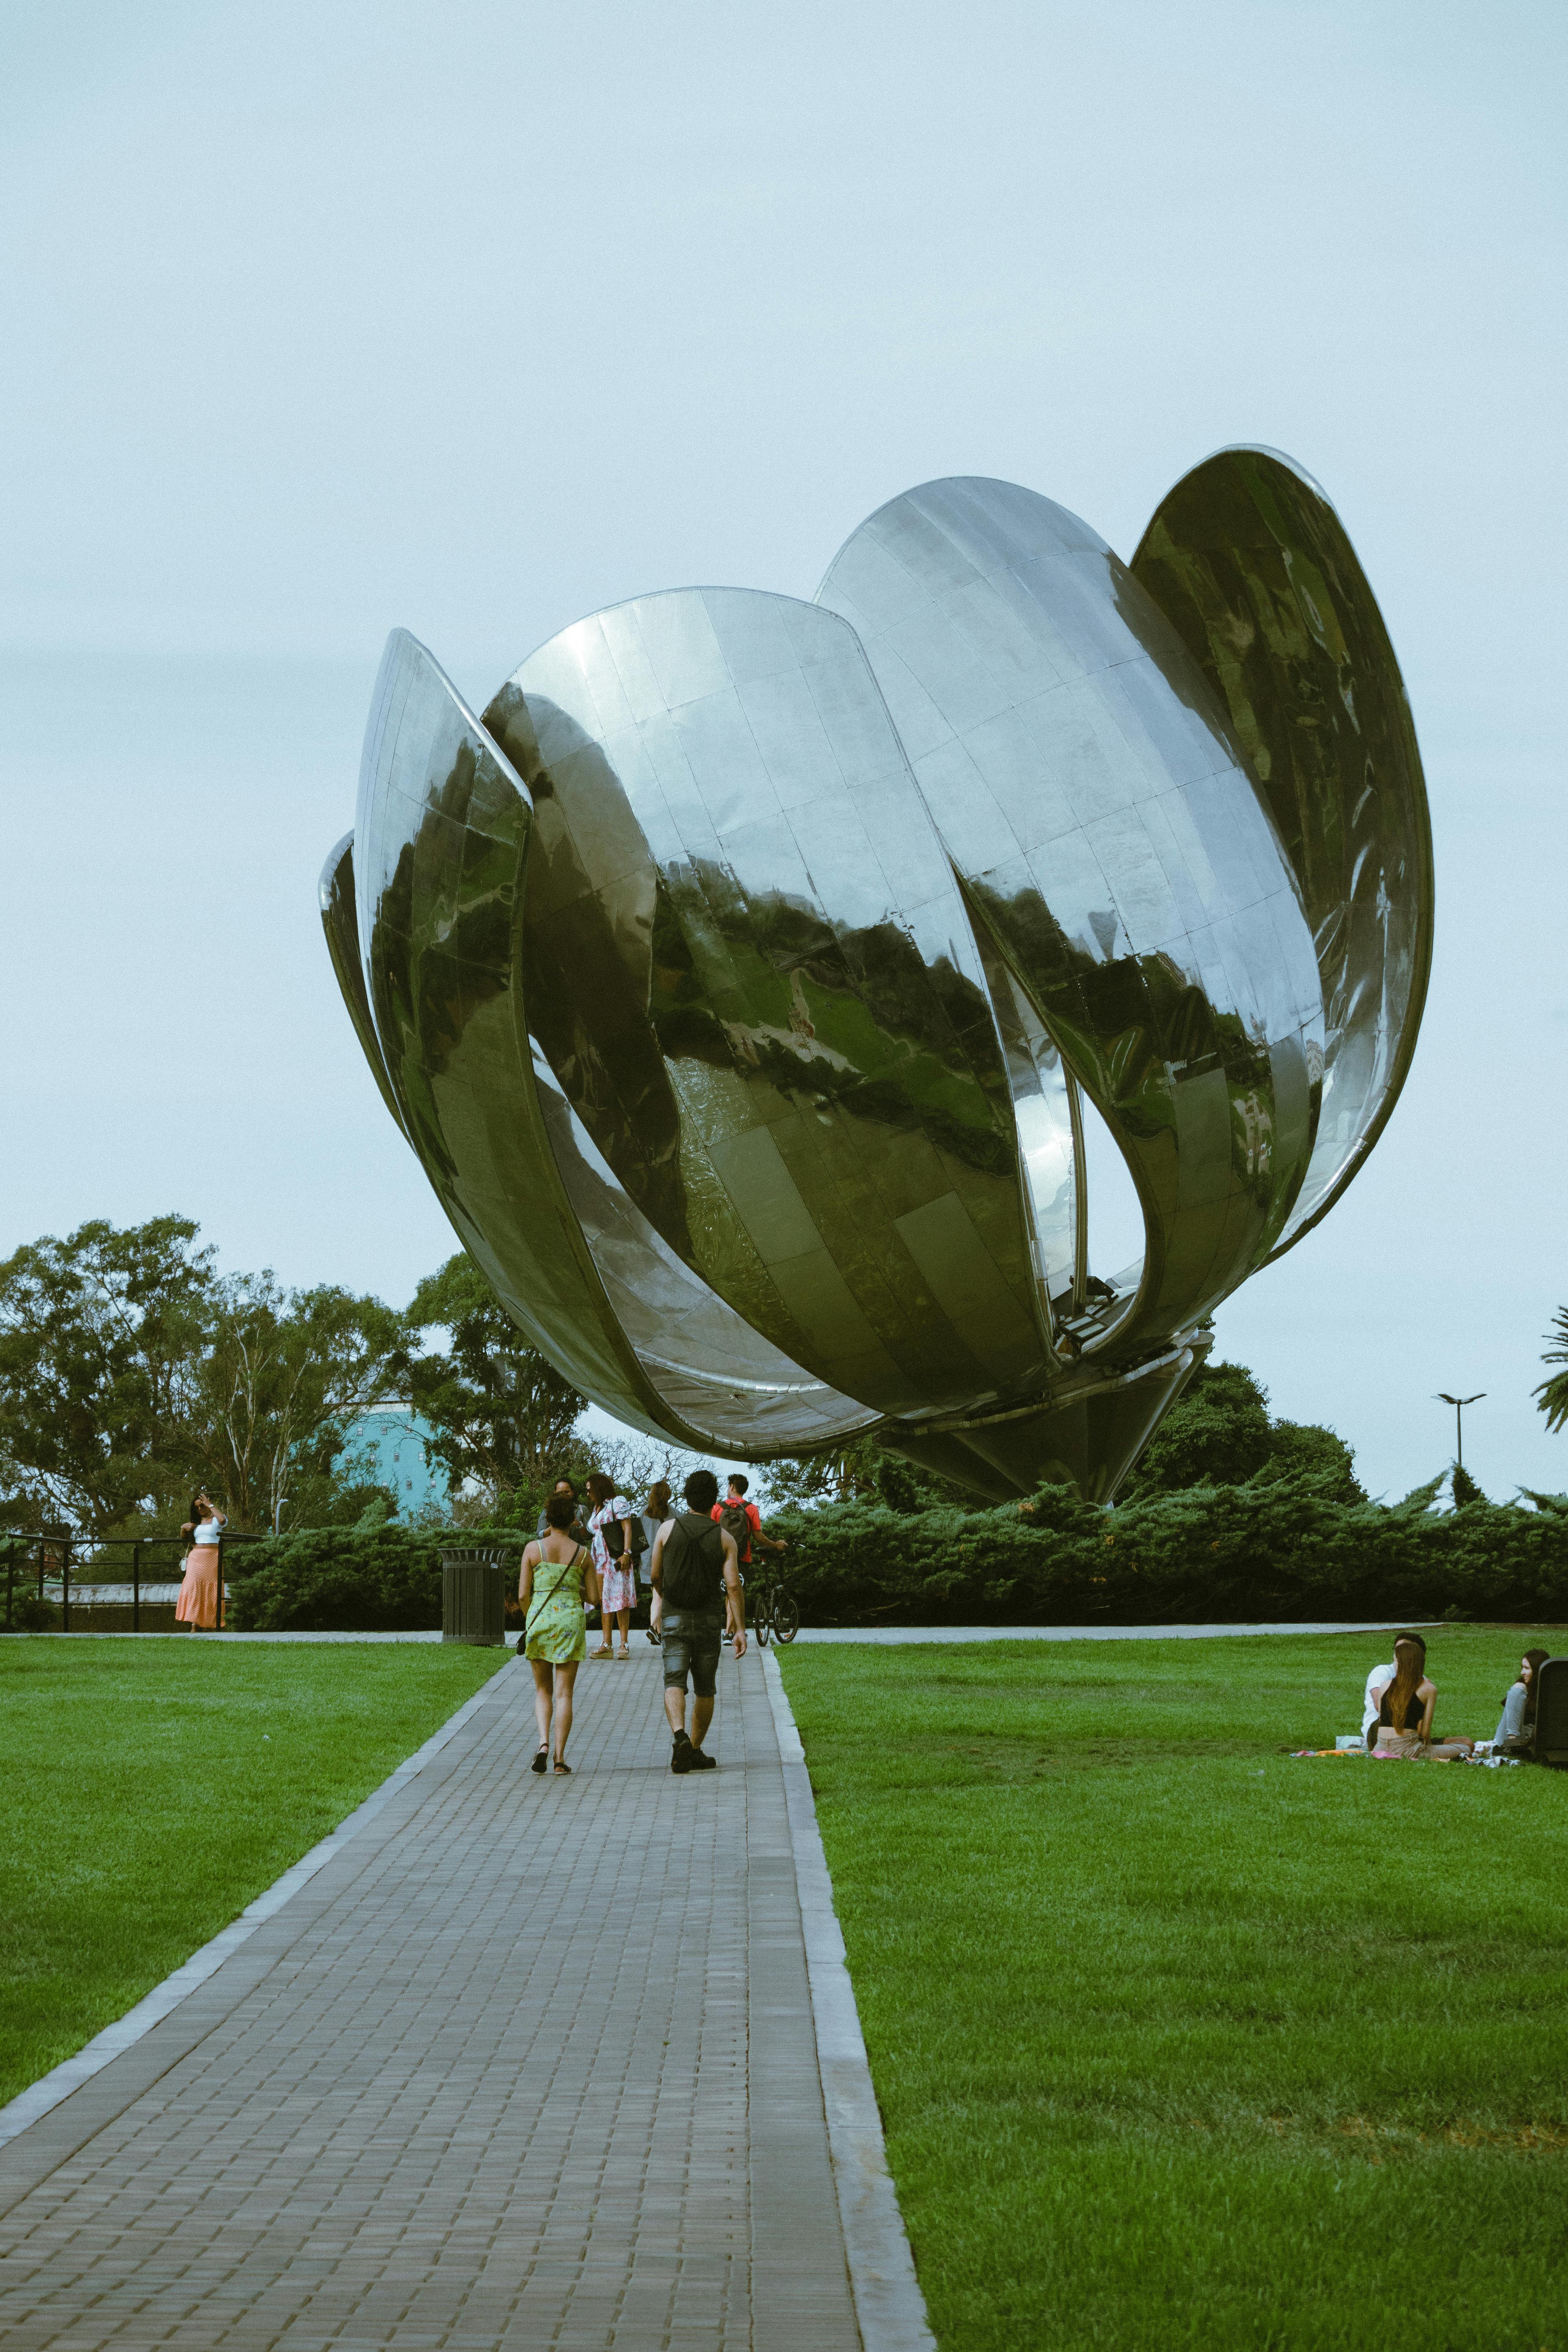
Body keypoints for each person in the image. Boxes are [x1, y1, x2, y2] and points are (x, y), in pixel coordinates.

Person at [649, 1469, 744, 1774]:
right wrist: (740, 1628)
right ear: (714, 1500)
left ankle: (680, 1738)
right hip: (707, 1620)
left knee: (674, 1680)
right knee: (705, 1686)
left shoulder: (666, 1530)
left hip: (674, 1616)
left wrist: (664, 1597)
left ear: (686, 1497)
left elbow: (654, 1576)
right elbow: (733, 1586)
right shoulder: (724, 1538)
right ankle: (696, 1748)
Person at [519, 1491, 596, 1773]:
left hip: (539, 1622)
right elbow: (595, 1599)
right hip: (570, 1622)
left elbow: (523, 1595)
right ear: (574, 1521)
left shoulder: (533, 1549)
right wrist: (573, 1587)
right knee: (565, 1694)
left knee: (543, 1690)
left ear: (548, 1519)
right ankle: (560, 1758)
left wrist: (532, 1618)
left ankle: (542, 1743)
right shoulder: (582, 1554)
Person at [1369, 1638, 1472, 1758]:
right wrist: (1430, 1751)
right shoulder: (1428, 1689)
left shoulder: (1385, 1685)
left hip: (1380, 1747)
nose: (1394, 1666)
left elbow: (1383, 1721)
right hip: (1409, 1750)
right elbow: (1425, 1733)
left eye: (1395, 1662)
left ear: (1403, 1664)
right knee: (1465, 1748)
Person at [584, 1473, 639, 1659]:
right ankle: (606, 1643)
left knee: (620, 1600)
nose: (588, 1493)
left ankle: (624, 1643)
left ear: (599, 1487)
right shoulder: (596, 1508)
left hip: (616, 1557)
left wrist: (626, 1553)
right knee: (603, 1599)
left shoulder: (617, 1502)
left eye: (590, 1489)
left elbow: (628, 1528)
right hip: (599, 1560)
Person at [174, 1489, 227, 1630]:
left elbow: (222, 1521)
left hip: (213, 1557)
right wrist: (183, 1528)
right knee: (194, 1588)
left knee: (212, 1590)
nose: (200, 1510)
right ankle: (194, 1625)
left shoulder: (217, 1519)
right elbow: (185, 1538)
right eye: (197, 1508)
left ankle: (213, 1624)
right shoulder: (197, 1522)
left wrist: (210, 1505)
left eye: (201, 1506)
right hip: (196, 1557)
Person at [1362, 1634, 1426, 1745]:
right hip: (1379, 1729)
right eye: (1397, 1650)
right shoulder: (1383, 1672)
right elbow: (1381, 1707)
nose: (1400, 1653)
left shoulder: (1425, 1683)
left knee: (1465, 1743)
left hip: (1409, 1733)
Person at [1493, 1649, 1551, 1750]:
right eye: (1522, 1667)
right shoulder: (1521, 1687)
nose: (1522, 1672)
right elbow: (1509, 1716)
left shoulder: (1551, 1691)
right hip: (1512, 1738)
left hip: (1536, 1740)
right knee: (1518, 1688)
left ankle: (1514, 1746)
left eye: (1527, 1668)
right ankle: (1513, 1743)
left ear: (1537, 1670)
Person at [640, 1480, 672, 1645]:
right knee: (659, 1594)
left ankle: (658, 1632)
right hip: (665, 1559)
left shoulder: (644, 1512)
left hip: (646, 1560)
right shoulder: (672, 1513)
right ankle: (654, 1627)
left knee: (656, 1594)